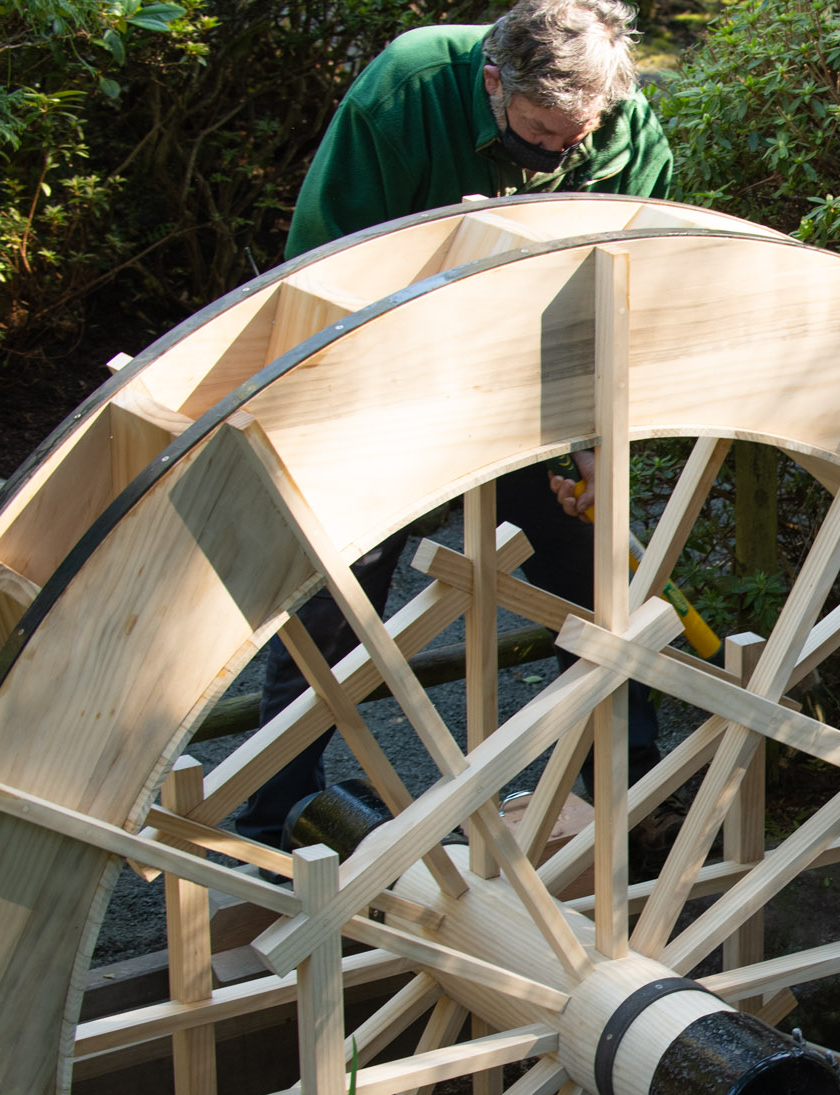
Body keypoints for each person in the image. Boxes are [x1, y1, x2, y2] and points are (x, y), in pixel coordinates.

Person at [239, 0, 669, 849]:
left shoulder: (623, 127)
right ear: (492, 79)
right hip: (380, 377)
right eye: (542, 128)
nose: (560, 150)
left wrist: (582, 435)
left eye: (577, 135)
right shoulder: (408, 88)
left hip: (532, 388)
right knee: (337, 595)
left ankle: (626, 794)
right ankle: (278, 814)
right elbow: (330, 263)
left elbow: (628, 283)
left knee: (600, 564)